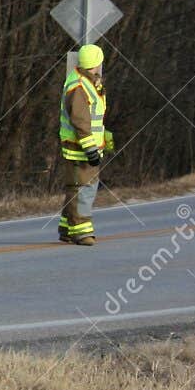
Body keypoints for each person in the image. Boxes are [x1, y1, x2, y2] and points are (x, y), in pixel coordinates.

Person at [58, 43, 113, 245]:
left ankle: (66, 227)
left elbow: (92, 118)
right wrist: (90, 147)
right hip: (79, 148)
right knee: (84, 188)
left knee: (76, 187)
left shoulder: (86, 82)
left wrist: (103, 137)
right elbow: (80, 120)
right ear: (96, 64)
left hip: (81, 146)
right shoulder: (80, 86)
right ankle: (81, 231)